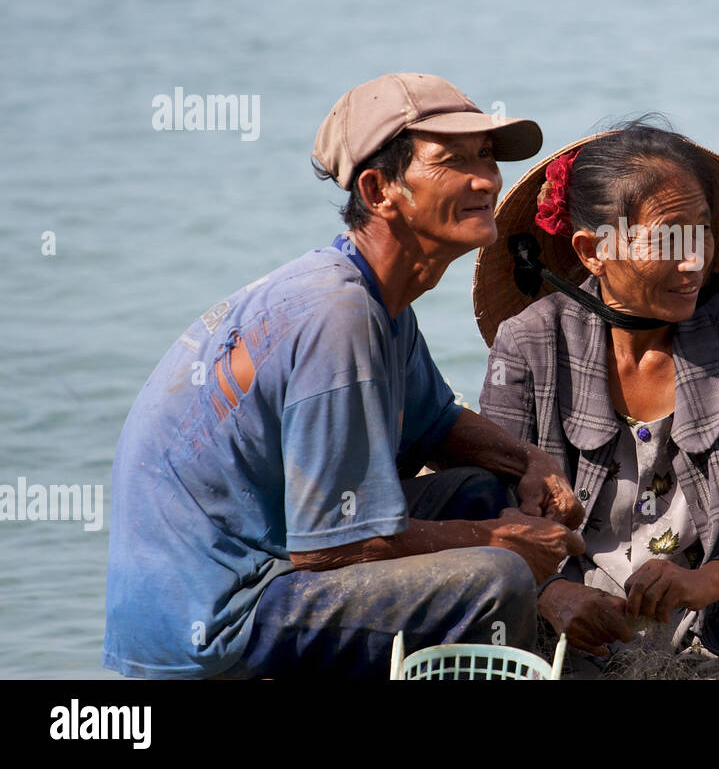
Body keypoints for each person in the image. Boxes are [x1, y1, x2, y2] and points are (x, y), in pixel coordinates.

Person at [103, 73, 585, 679]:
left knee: (476, 491)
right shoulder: (338, 311)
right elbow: (328, 546)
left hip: (271, 563)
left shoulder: (377, 298)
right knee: (499, 576)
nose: (486, 179)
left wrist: (529, 462)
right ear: (380, 188)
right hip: (218, 622)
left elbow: (436, 422)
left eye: (487, 157)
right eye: (453, 161)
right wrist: (497, 539)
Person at [473, 119, 719, 677]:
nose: (693, 262)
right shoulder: (530, 343)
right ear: (591, 250)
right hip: (568, 643)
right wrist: (551, 594)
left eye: (701, 233)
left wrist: (706, 582)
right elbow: (487, 500)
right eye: (667, 239)